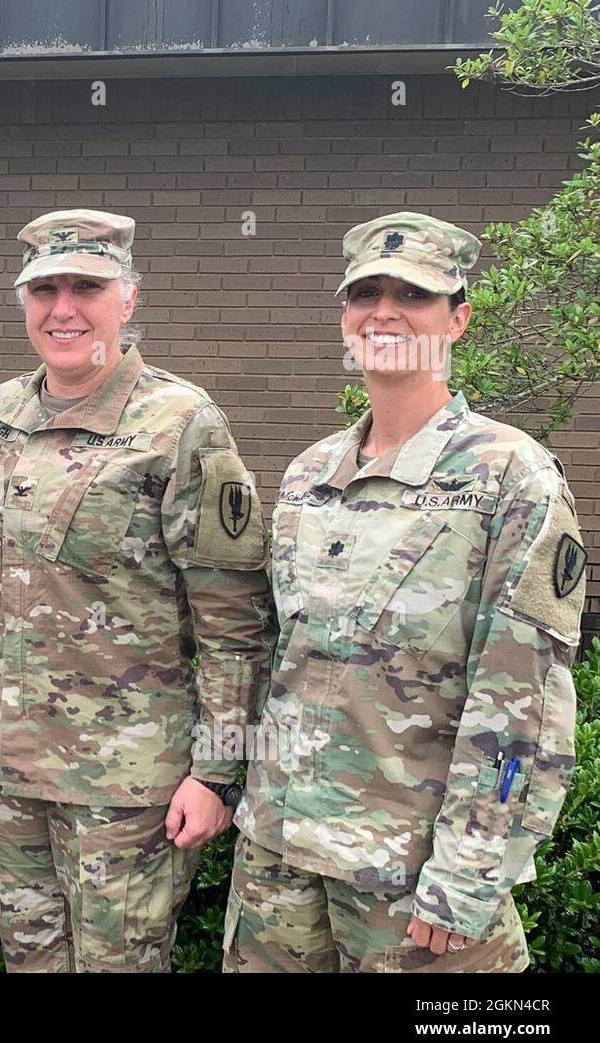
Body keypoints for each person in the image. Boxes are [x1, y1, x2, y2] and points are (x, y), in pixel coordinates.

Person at [226, 211, 587, 973]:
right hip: (278, 862)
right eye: (365, 293)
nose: (384, 311)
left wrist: (468, 876)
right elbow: (277, 660)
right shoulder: (307, 474)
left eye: (412, 295)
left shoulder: (510, 477)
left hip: (409, 881)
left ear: (457, 319)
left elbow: (521, 703)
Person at [0, 209, 274, 972]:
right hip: (5, 772)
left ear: (127, 299)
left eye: (87, 287)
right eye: (44, 289)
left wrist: (216, 771)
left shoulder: (181, 423)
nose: (63, 308)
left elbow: (236, 619)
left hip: (127, 786)